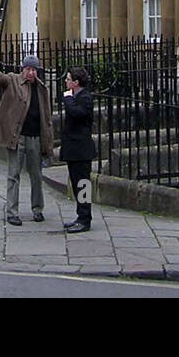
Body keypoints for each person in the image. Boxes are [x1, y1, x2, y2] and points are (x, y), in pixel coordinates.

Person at [0, 55, 53, 226]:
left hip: (35, 137)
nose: (31, 73)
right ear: (23, 69)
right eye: (28, 69)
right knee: (13, 174)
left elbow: (47, 118)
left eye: (34, 70)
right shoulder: (14, 80)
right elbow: (1, 79)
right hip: (18, 136)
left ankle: (38, 209)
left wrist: (48, 143)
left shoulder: (42, 89)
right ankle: (12, 212)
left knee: (36, 175)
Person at [61, 67, 97, 233]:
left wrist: (68, 100)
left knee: (83, 185)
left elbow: (77, 113)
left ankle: (85, 219)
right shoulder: (77, 97)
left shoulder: (85, 98)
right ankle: (80, 215)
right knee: (76, 184)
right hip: (73, 149)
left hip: (81, 150)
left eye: (68, 79)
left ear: (76, 82)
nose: (66, 82)